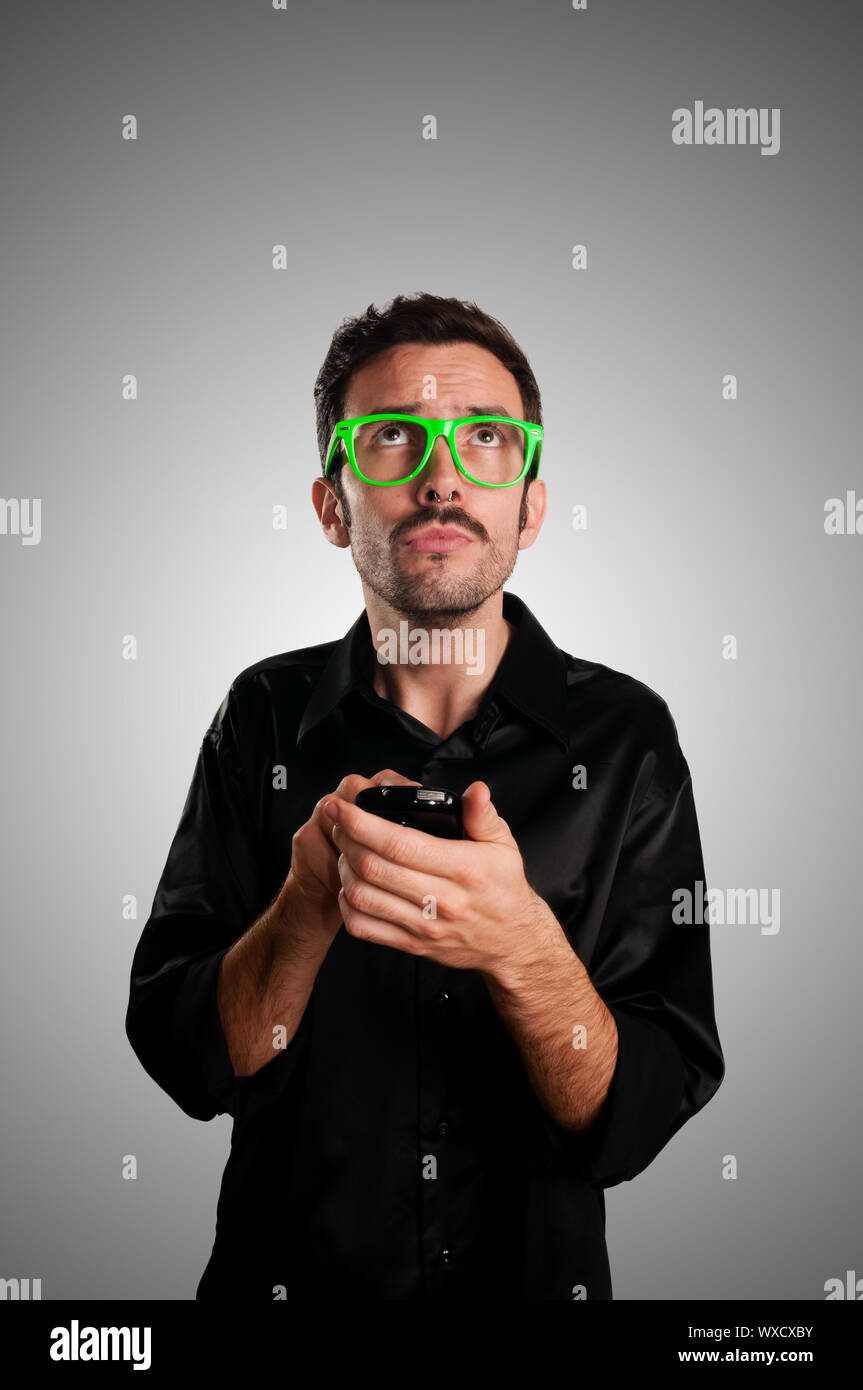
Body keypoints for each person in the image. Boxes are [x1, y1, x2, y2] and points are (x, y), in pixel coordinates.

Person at [125, 292, 724, 1301]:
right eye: (393, 436)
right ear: (331, 505)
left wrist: (521, 950)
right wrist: (304, 910)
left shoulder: (626, 736)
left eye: (486, 438)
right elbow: (192, 1065)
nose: (441, 476)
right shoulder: (260, 716)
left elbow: (634, 1115)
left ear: (529, 504)